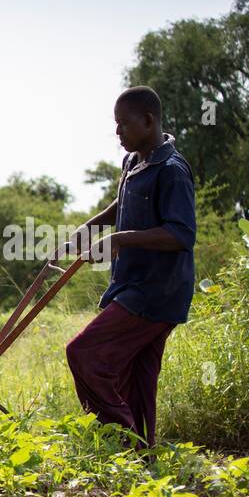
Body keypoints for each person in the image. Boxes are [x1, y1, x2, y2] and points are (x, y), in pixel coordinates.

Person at [61, 86, 196, 449]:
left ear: (148, 121)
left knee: (84, 353)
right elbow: (123, 201)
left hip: (157, 291)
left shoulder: (172, 171)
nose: (118, 133)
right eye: (115, 125)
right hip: (135, 284)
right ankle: (142, 456)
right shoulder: (134, 162)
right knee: (139, 375)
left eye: (123, 124)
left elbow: (181, 234)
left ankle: (121, 438)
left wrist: (119, 240)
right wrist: (89, 227)